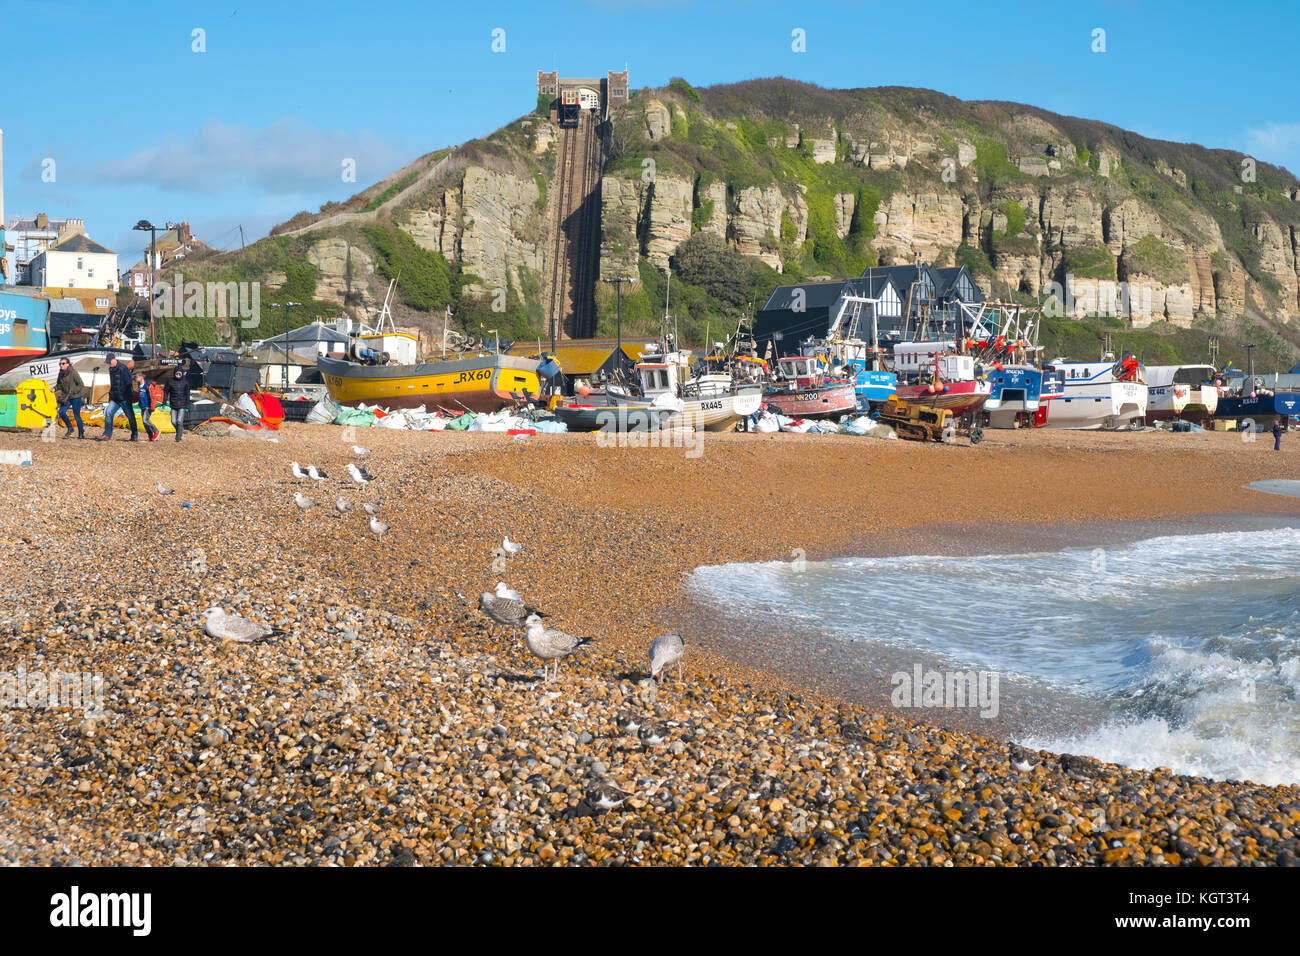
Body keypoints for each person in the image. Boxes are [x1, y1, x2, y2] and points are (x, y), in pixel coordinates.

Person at [98, 355, 139, 441]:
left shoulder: (123, 368)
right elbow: (113, 384)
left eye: (110, 361)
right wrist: (111, 394)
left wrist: (123, 392)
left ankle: (134, 435)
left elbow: (128, 382)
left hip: (125, 398)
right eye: (108, 362)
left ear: (114, 360)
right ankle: (107, 434)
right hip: (115, 398)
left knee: (130, 417)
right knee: (108, 412)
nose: (109, 363)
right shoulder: (111, 369)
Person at [54, 358, 87, 439]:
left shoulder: (73, 372)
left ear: (68, 364)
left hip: (76, 397)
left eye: (63, 363)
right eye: (60, 364)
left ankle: (81, 432)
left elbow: (81, 384)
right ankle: (70, 428)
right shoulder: (60, 373)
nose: (61, 365)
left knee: (76, 415)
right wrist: (55, 388)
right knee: (61, 412)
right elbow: (59, 385)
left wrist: (73, 391)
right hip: (66, 397)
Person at [163, 367, 191, 442]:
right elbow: (166, 392)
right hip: (173, 404)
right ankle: (180, 430)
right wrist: (164, 402)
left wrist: (187, 406)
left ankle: (178, 436)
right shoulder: (170, 382)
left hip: (182, 405)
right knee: (173, 421)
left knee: (179, 421)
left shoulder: (185, 383)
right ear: (174, 374)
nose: (178, 375)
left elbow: (187, 395)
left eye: (179, 374)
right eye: (177, 374)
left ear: (181, 374)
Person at [135, 372, 159, 442]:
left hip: (148, 406)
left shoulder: (148, 385)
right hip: (142, 406)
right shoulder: (139, 386)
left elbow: (153, 396)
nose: (135, 379)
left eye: (136, 377)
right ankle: (150, 436)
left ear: (141, 377)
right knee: (144, 423)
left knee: (146, 420)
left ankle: (156, 431)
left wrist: (152, 406)